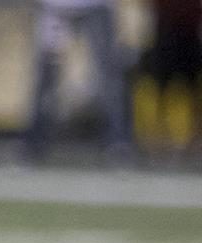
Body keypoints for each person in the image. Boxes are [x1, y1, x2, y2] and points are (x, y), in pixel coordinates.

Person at [23, 0, 134, 162]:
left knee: (108, 80)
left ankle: (118, 142)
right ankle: (33, 143)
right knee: (46, 77)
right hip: (56, 8)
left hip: (96, 6)